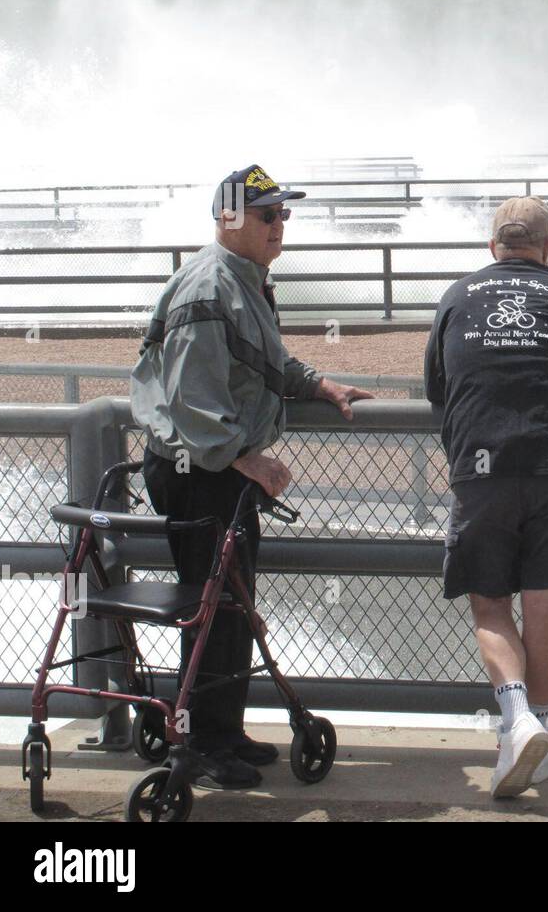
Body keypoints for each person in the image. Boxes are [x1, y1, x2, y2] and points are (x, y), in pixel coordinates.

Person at [130, 164, 374, 789]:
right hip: (201, 471)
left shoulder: (245, 280)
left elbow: (263, 360)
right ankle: (205, 744)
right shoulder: (209, 288)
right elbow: (191, 399)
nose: (279, 225)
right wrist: (248, 457)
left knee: (232, 604)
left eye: (283, 215)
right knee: (213, 606)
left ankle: (223, 729)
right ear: (229, 219)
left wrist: (317, 383)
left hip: (219, 471)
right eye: (268, 215)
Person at [424, 196, 548, 798]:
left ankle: (518, 723)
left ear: (492, 248)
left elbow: (435, 386)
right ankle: (537, 733)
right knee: (544, 608)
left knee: (489, 605)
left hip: (481, 468)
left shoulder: (457, 297)